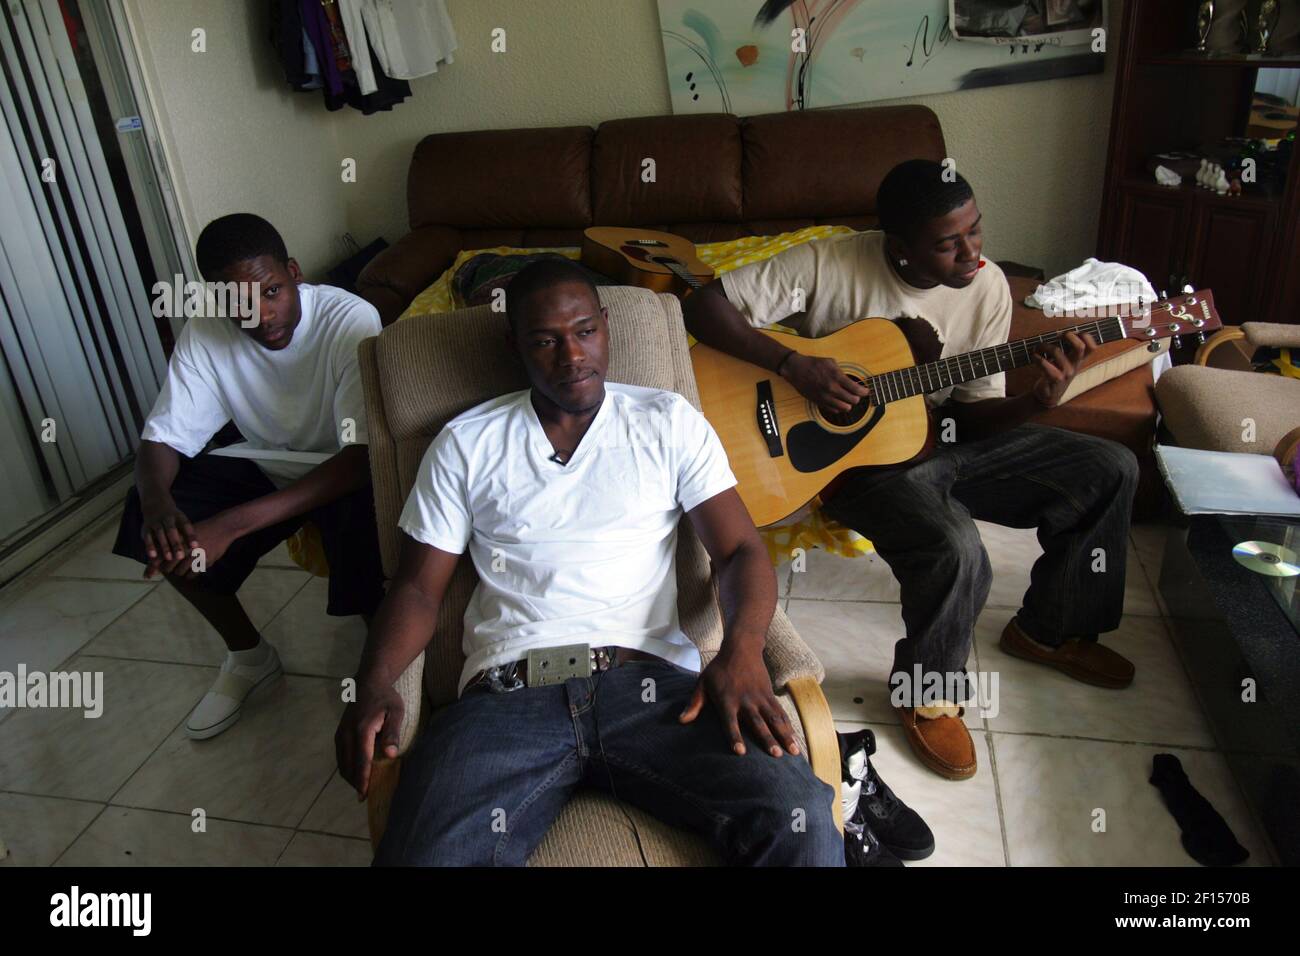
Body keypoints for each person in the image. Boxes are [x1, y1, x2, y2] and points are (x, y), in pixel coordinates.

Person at [336, 260, 843, 866]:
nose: (571, 356)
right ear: (515, 346)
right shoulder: (466, 444)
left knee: (800, 816)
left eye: (584, 331)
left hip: (655, 692)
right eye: (545, 340)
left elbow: (739, 552)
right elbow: (418, 590)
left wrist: (741, 653)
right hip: (507, 700)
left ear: (607, 327)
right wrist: (374, 682)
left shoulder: (668, 421)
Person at [683, 159, 1140, 781]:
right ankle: (928, 694)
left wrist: (1037, 402)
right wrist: (794, 365)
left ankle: (1053, 630)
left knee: (1109, 466)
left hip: (939, 436)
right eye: (948, 244)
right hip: (858, 463)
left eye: (975, 231)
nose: (971, 254)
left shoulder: (988, 287)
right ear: (896, 246)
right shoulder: (829, 262)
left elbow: (975, 415)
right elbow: (704, 304)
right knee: (955, 545)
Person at [113, 213, 385, 739]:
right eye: (237, 302)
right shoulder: (204, 334)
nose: (261, 315)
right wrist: (158, 508)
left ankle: (379, 673)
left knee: (369, 528)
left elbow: (358, 459)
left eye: (272, 292)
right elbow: (161, 440)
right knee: (154, 522)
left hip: (340, 469)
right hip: (263, 460)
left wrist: (233, 525)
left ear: (294, 271)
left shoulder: (351, 320)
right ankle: (249, 655)